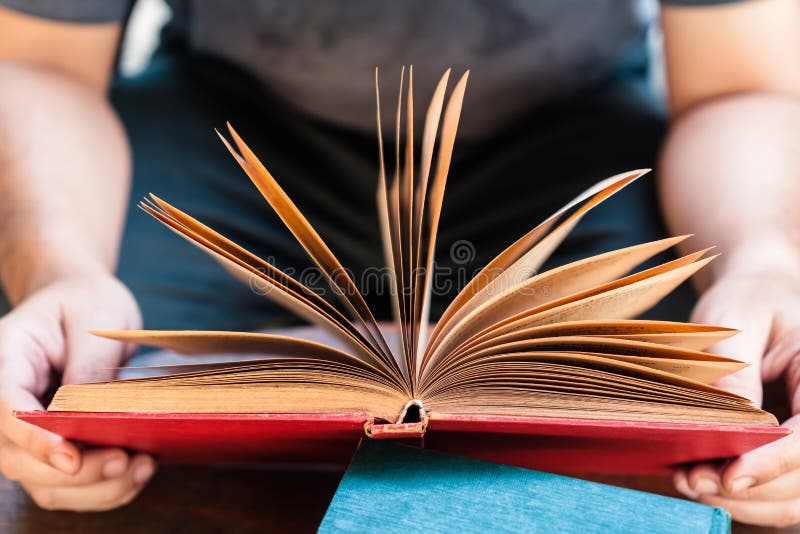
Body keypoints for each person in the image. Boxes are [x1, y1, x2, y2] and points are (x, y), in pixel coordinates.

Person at [0, 0, 798, 526]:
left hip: (573, 140)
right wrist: (57, 269)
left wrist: (762, 260)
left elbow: (740, 84)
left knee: (703, 381)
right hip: (227, 127)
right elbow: (43, 63)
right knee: (86, 368)